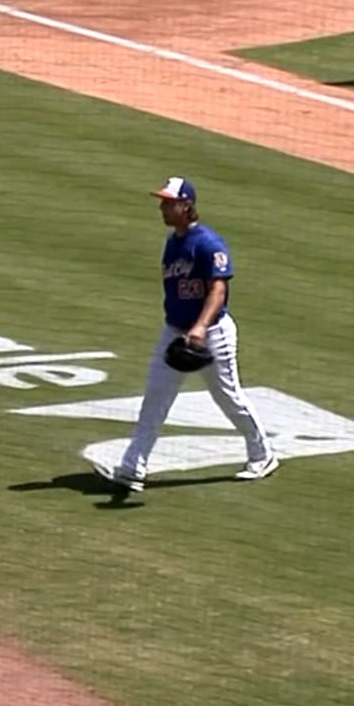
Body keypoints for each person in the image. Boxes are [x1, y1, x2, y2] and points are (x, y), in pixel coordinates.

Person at [91, 177, 280, 493]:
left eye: (168, 202)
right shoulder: (173, 241)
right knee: (155, 399)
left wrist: (200, 328)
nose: (162, 206)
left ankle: (262, 454)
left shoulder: (208, 243)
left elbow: (218, 290)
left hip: (212, 332)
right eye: (162, 201)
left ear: (186, 205)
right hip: (174, 332)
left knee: (228, 398)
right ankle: (132, 469)